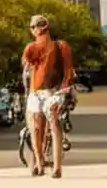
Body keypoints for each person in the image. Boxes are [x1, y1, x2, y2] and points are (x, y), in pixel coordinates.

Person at [21, 14, 74, 178]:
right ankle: (41, 162)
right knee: (41, 127)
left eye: (34, 27)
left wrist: (65, 88)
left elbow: (68, 70)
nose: (34, 30)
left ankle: (51, 166)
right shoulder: (33, 47)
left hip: (51, 91)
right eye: (33, 27)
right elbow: (26, 64)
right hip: (40, 92)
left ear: (43, 27)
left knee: (47, 125)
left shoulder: (60, 46)